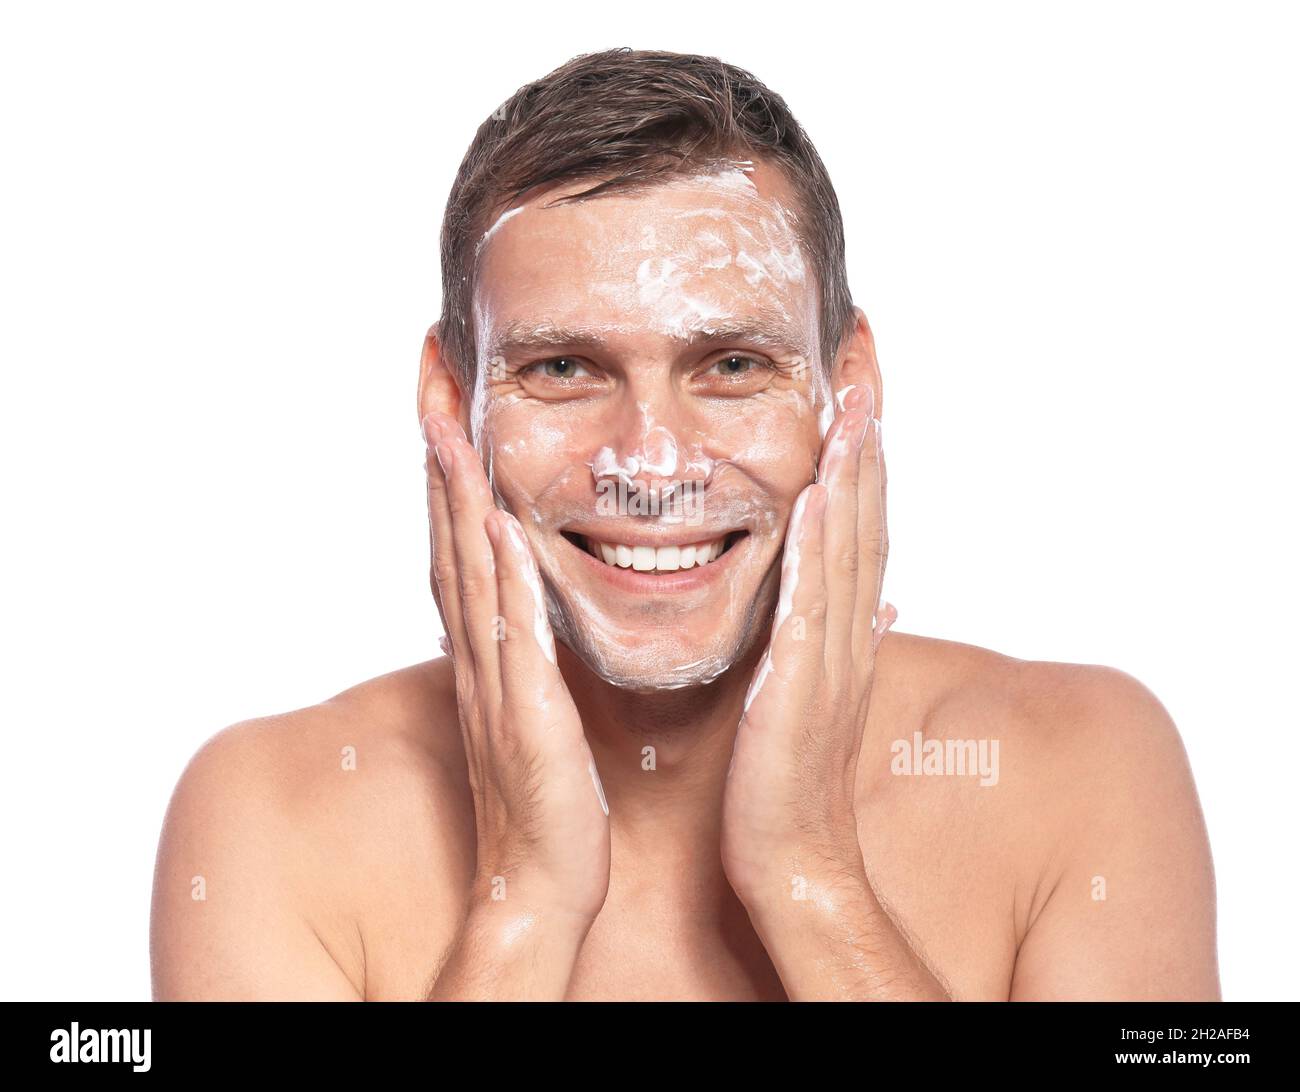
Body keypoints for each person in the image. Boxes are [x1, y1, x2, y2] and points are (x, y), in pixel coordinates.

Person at [150, 48, 1219, 1001]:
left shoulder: (1083, 768)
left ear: (848, 389)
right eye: (562, 368)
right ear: (448, 398)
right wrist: (524, 903)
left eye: (734, 366)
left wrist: (811, 875)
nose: (649, 465)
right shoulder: (271, 819)